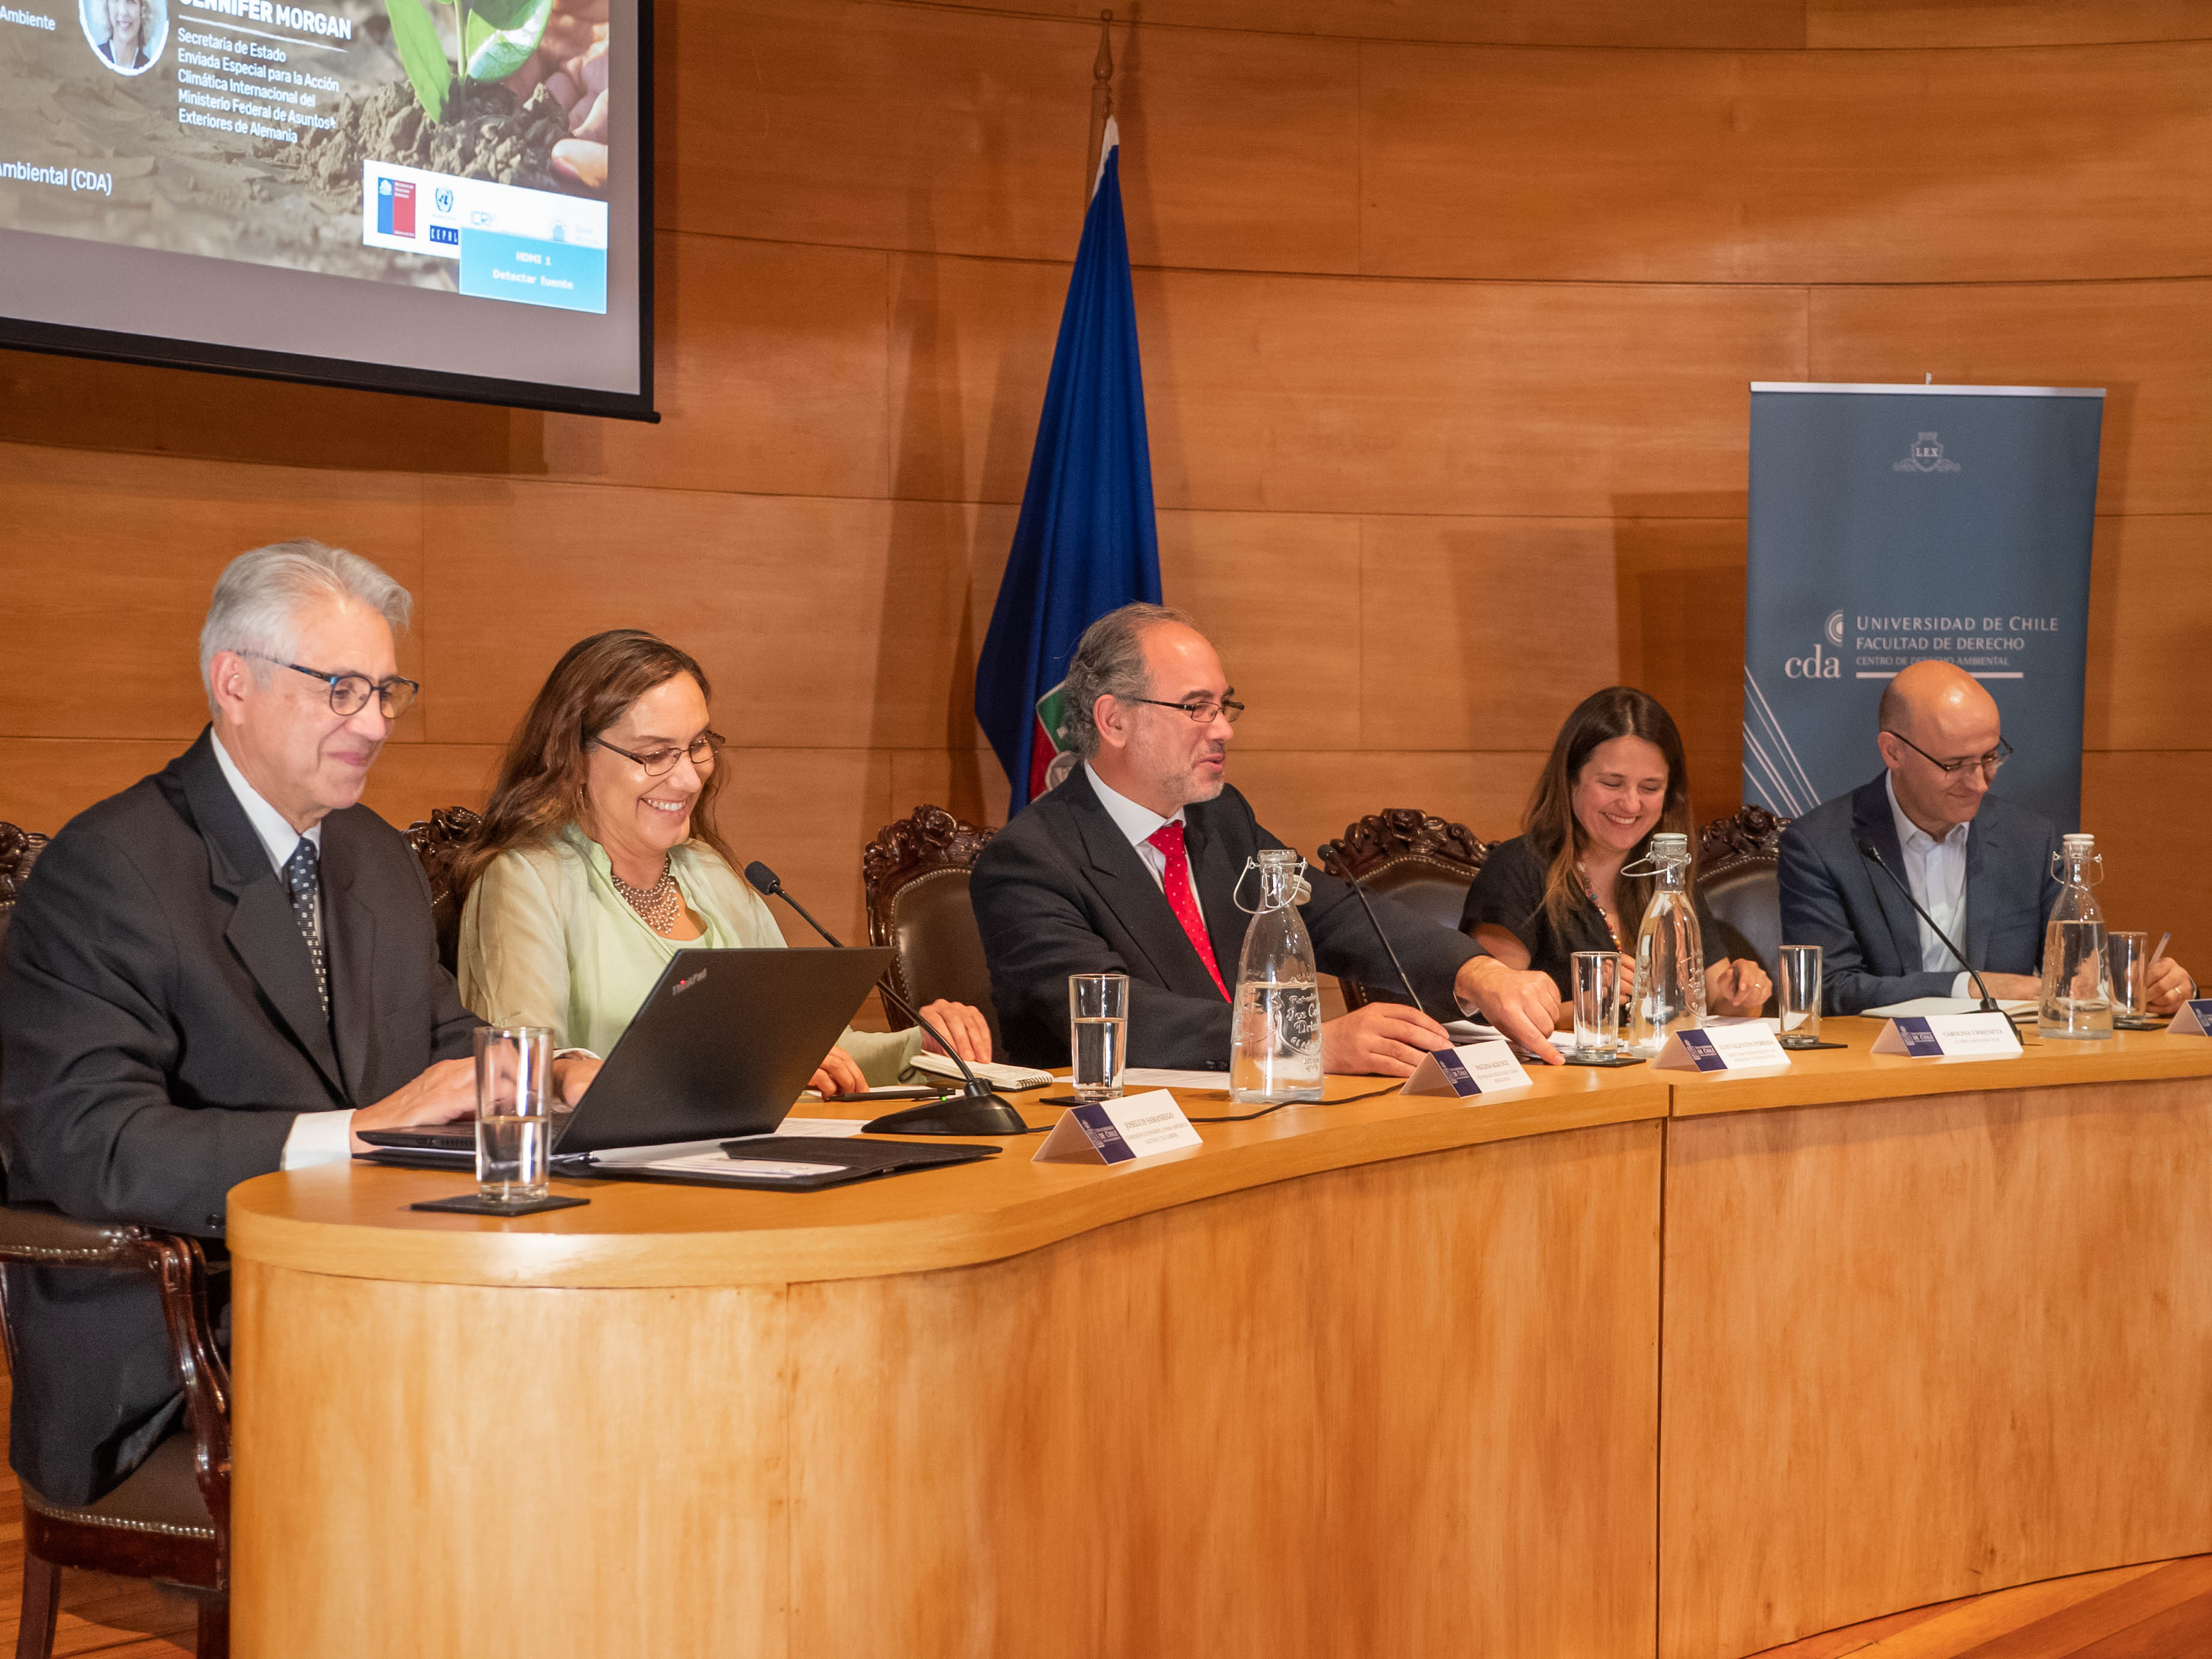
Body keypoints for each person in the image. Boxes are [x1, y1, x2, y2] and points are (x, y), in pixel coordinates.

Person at [0, 540, 569, 1507]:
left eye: (387, 692)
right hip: (190, 1324)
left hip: (374, 1283)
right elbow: (96, 1145)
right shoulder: (111, 870)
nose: (374, 723)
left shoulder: (372, 855)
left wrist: (554, 1074)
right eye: (341, 689)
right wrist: (354, 1135)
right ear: (235, 683)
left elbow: (439, 1043)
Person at [970, 604, 1566, 1074]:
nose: (1223, 730)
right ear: (1114, 720)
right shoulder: (1030, 861)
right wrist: (1301, 1040)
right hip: (1116, 1146)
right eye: (1196, 708)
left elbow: (1332, 914)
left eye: (1223, 706)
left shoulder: (1221, 817)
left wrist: (1476, 971)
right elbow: (1115, 1019)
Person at [454, 631, 992, 1095]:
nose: (689, 777)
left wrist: (921, 1047)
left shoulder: (708, 873)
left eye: (697, 745)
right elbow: (520, 1075)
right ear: (574, 757)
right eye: (655, 754)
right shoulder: (525, 880)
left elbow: (810, 1049)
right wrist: (733, 1072)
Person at [1777, 659, 2193, 1015]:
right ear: (1893, 752)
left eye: (1990, 758)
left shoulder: (2029, 839)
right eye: (1955, 765)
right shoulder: (1821, 844)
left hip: (2005, 1062)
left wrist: (2156, 986)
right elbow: (1827, 989)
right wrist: (1969, 988)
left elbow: (2081, 976)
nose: (1978, 783)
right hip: (1881, 1062)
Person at [1459, 686, 1771, 1018]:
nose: (1631, 804)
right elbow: (1493, 1014)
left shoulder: (1667, 869)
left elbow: (1716, 1001)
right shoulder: (1516, 868)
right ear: (1571, 780)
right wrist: (1588, 1007)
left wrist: (1743, 991)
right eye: (1612, 784)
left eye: (1650, 787)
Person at [93, 0, 151, 70]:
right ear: (107, 7)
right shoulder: (91, 61)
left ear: (143, 9)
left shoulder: (151, 71)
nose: (123, 12)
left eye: (131, 1)